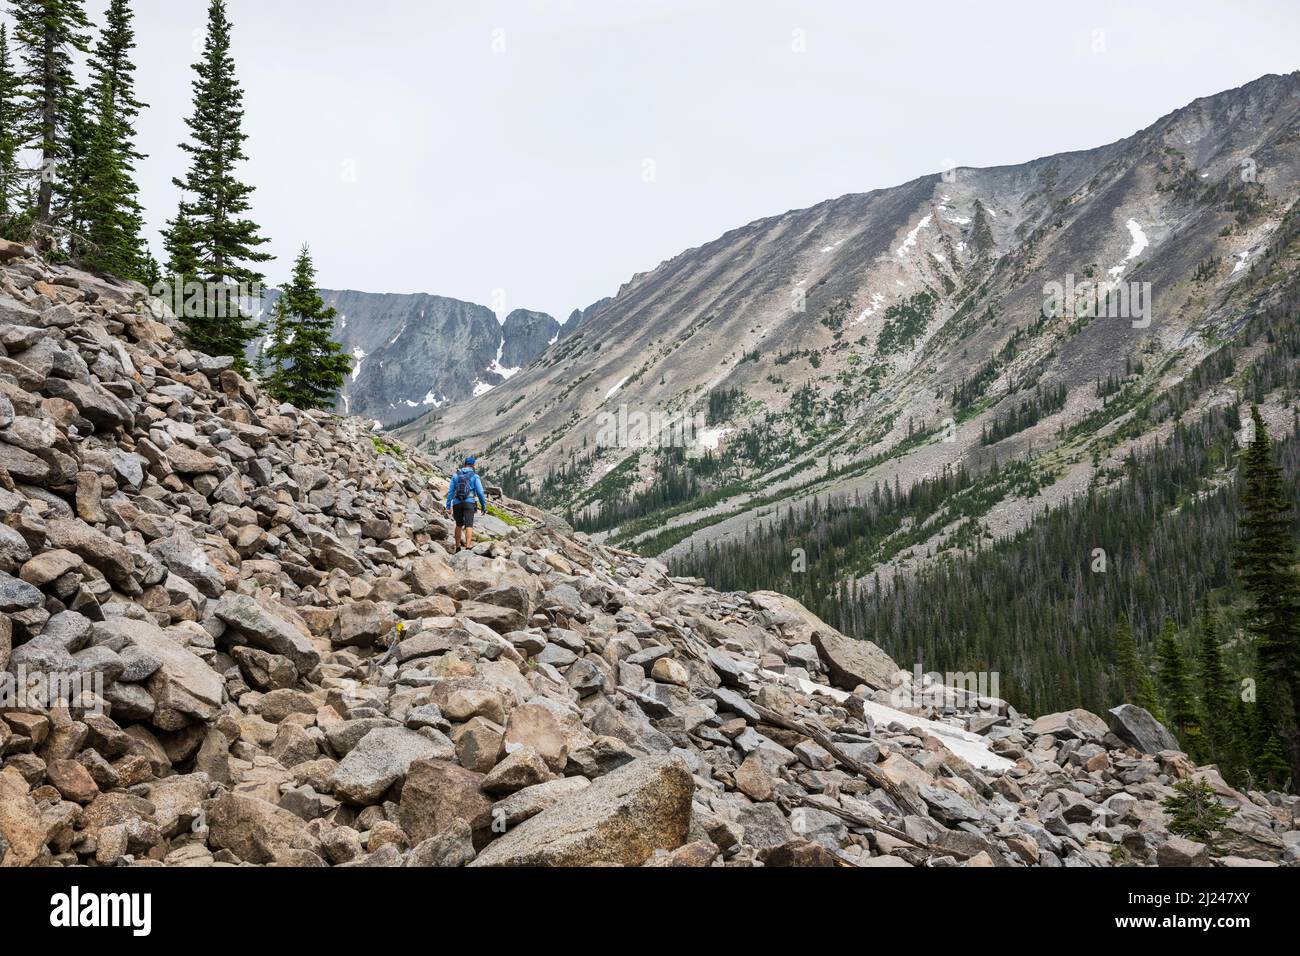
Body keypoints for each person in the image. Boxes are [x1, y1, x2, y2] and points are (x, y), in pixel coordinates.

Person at [445, 455, 488, 552]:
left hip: (457, 502)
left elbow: (451, 491)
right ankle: (468, 546)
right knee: (469, 525)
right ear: (473, 466)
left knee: (458, 524)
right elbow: (480, 492)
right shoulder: (475, 476)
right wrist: (483, 506)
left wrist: (448, 505)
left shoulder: (456, 476)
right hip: (469, 502)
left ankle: (457, 547)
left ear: (464, 464)